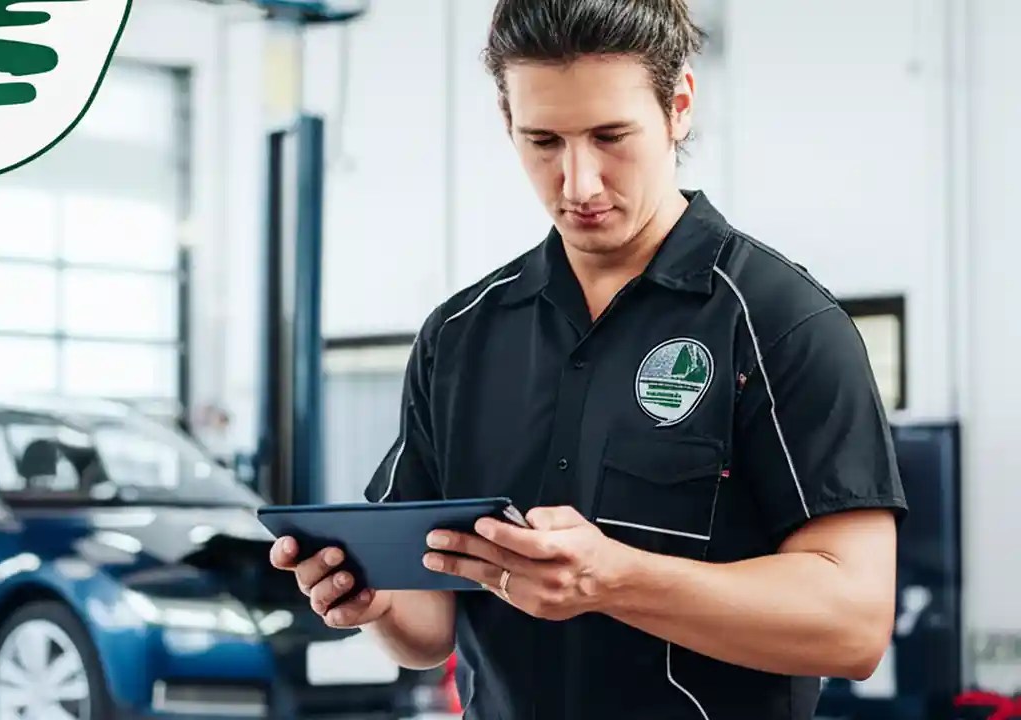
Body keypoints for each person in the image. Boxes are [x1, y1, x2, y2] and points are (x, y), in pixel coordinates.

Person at [269, 0, 908, 717]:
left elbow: (852, 626)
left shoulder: (781, 324)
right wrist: (375, 599)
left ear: (679, 107)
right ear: (508, 120)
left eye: (610, 136)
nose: (578, 184)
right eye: (543, 141)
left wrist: (613, 579)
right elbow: (430, 628)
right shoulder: (459, 336)